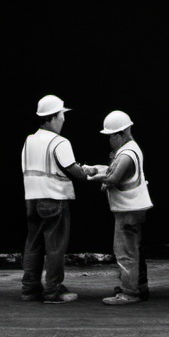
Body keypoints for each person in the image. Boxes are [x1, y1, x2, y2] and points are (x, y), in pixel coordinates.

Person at [20, 95, 98, 304]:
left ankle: (29, 289)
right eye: (62, 115)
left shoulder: (29, 140)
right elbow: (76, 172)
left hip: (32, 199)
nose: (64, 119)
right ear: (52, 117)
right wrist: (90, 171)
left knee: (33, 244)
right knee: (55, 247)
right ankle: (53, 291)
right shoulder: (59, 142)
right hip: (53, 199)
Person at [88, 110, 153, 305]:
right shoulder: (129, 149)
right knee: (135, 250)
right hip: (133, 208)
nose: (109, 140)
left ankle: (129, 292)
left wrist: (94, 176)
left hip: (128, 211)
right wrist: (100, 169)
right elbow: (115, 171)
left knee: (125, 252)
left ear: (122, 133)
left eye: (111, 136)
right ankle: (138, 286)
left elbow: (114, 178)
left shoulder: (127, 153)